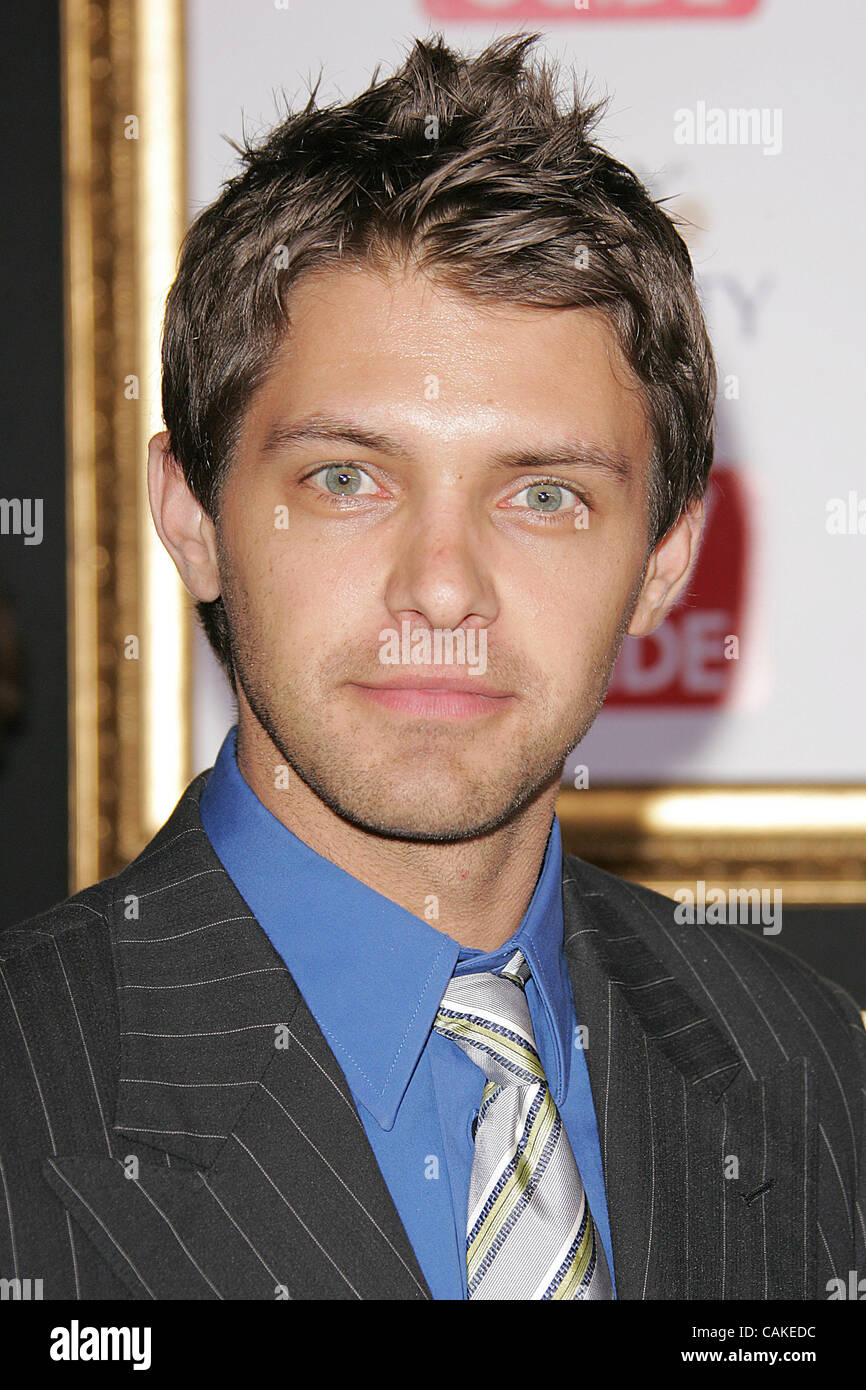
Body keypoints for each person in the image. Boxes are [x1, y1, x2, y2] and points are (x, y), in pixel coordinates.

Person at [1, 34, 862, 1302]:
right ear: (192, 518)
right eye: (346, 477)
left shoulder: (816, 1075)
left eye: (544, 492)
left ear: (663, 562)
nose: (443, 586)